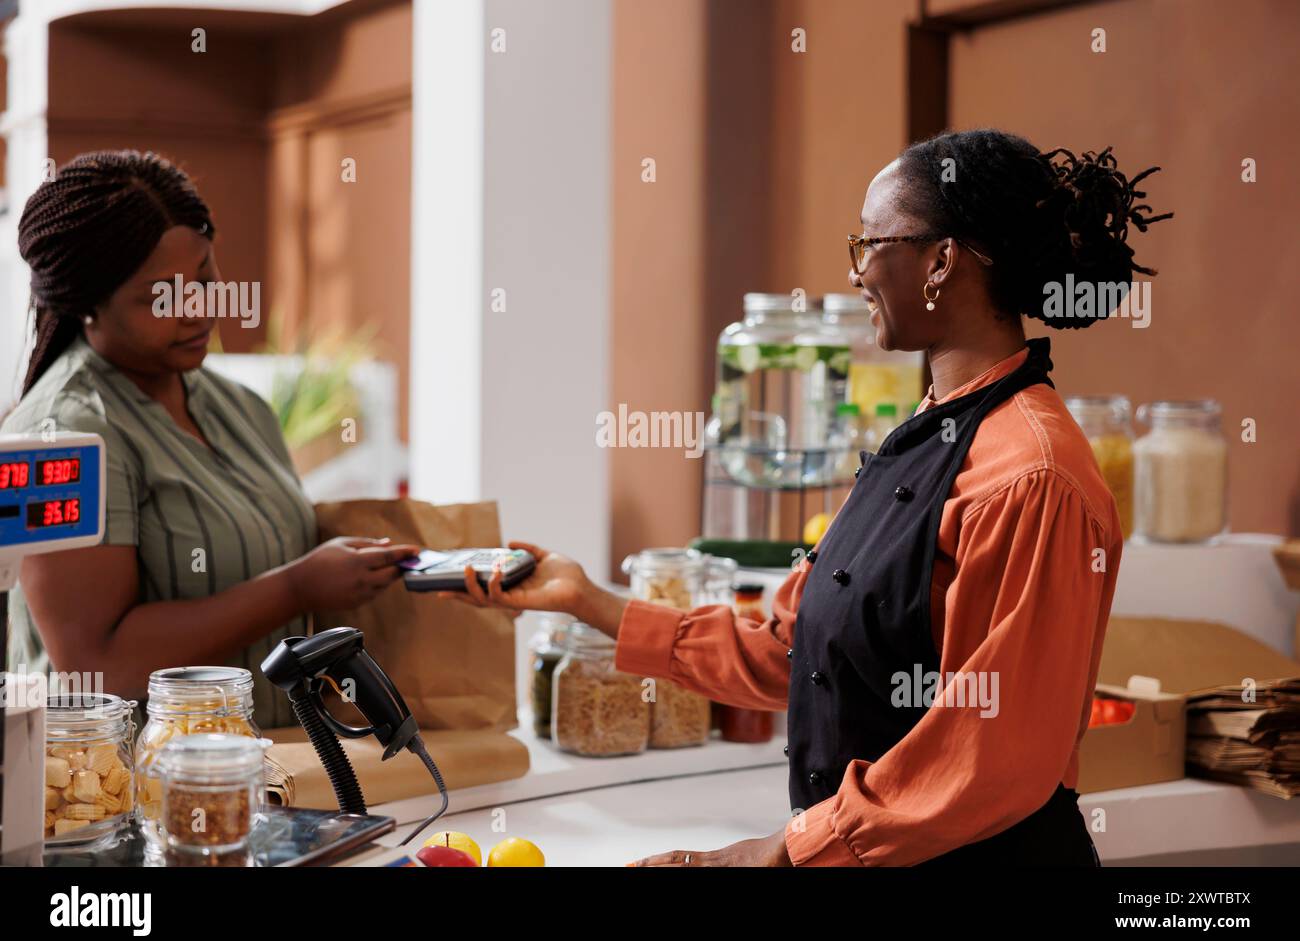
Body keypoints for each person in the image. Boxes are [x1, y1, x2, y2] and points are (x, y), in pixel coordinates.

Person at [443, 129, 1172, 866]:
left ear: (941, 261)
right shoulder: (927, 433)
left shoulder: (1035, 476)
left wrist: (766, 856)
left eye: (870, 243)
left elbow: (992, 753)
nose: (856, 272)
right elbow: (791, 651)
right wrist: (585, 600)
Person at [2, 150, 418, 724]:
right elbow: (98, 663)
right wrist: (296, 588)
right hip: (128, 776)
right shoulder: (65, 432)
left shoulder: (240, 407)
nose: (196, 310)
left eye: (203, 278)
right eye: (160, 296)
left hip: (264, 766)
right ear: (87, 305)